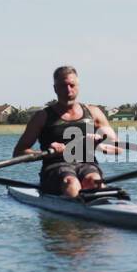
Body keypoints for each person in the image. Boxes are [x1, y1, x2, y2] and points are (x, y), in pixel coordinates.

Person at [13, 66, 119, 198]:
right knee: (71, 182)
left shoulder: (94, 113)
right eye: (63, 86)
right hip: (56, 166)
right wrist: (45, 154)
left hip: (87, 165)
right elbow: (18, 153)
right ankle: (77, 212)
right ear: (55, 88)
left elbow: (117, 149)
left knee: (93, 180)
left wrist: (97, 146)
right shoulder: (42, 117)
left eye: (72, 85)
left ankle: (100, 209)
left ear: (78, 86)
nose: (68, 90)